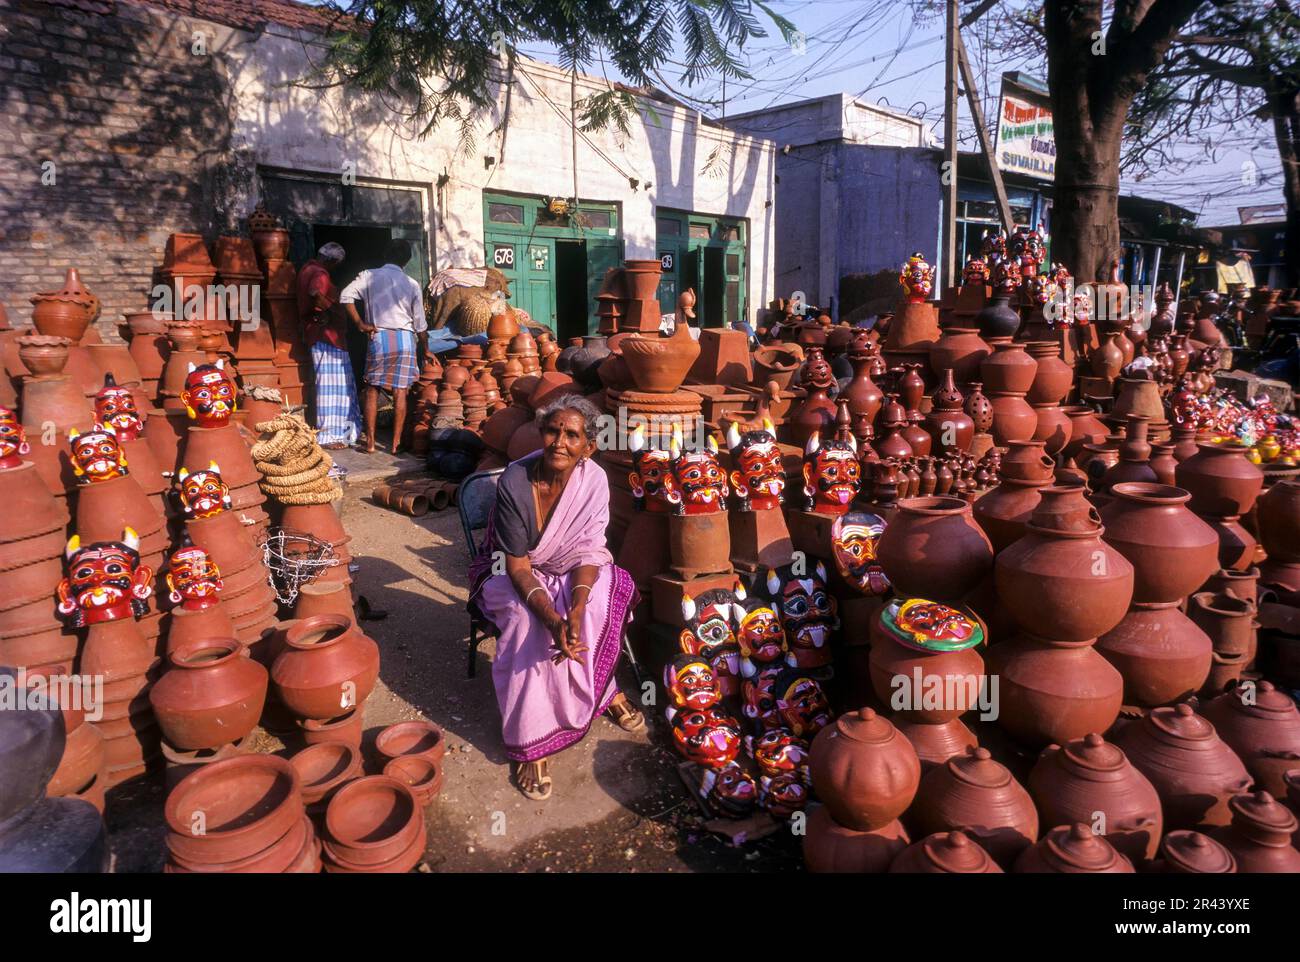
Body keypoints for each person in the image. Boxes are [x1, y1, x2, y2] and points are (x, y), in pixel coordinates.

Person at [468, 396, 644, 799]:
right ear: (540, 432)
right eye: (552, 430)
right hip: (505, 568)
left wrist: (577, 607)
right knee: (526, 621)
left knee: (602, 597)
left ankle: (602, 690)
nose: (559, 442)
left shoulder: (594, 479)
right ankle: (532, 738)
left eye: (572, 435)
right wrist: (553, 618)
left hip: (568, 567)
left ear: (589, 446)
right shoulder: (515, 480)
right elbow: (516, 567)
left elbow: (587, 550)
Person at [339, 239, 427, 453]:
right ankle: (395, 445)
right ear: (406, 260)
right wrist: (426, 348)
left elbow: (345, 295)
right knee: (400, 392)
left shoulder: (369, 275)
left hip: (379, 337)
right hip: (405, 340)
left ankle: (370, 443)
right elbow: (420, 324)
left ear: (386, 255)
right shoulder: (412, 283)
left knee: (372, 390)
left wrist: (360, 323)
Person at [298, 242, 362, 449]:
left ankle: (335, 433)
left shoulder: (306, 268)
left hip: (320, 336)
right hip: (328, 338)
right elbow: (314, 292)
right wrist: (329, 312)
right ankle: (331, 436)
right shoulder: (320, 273)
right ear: (332, 261)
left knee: (328, 385)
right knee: (334, 387)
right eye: (336, 264)